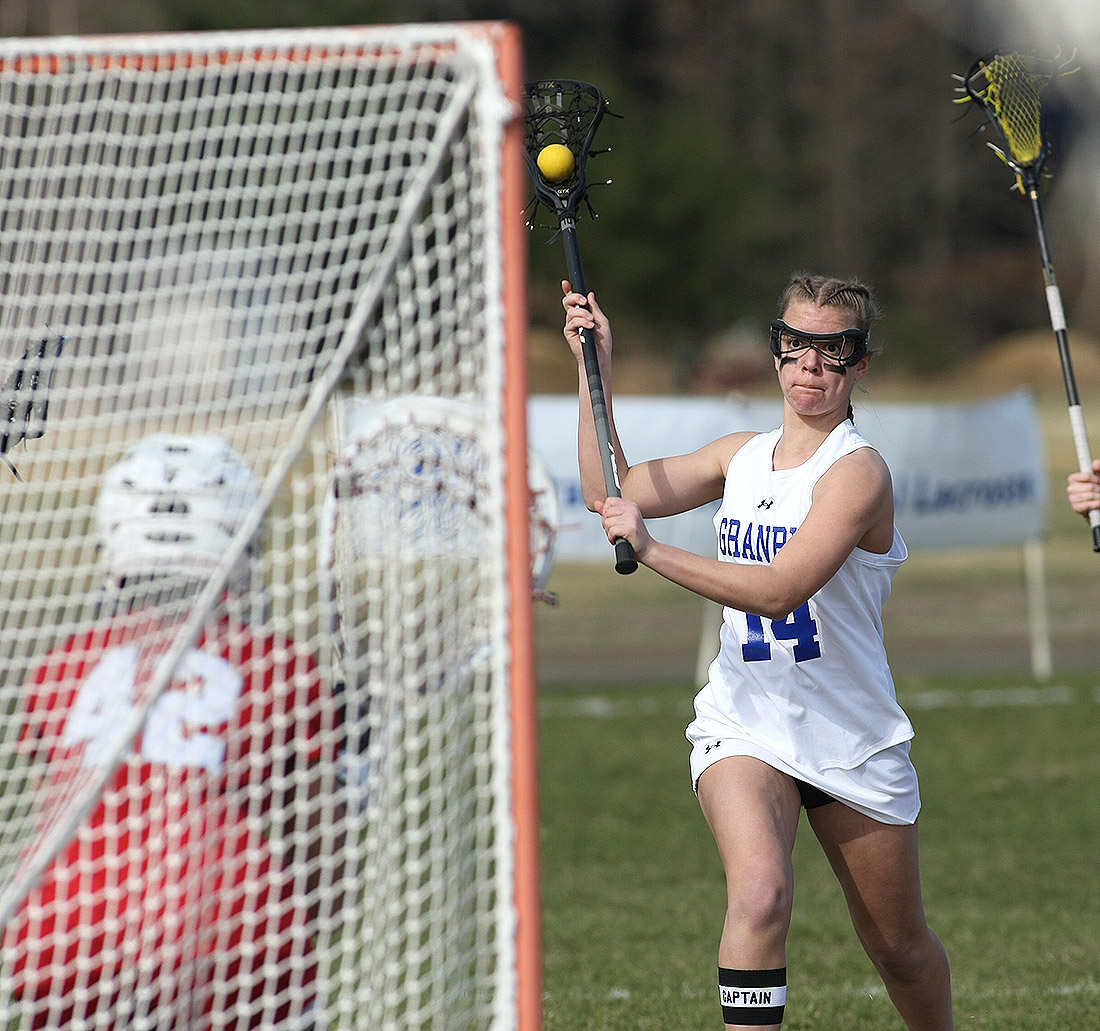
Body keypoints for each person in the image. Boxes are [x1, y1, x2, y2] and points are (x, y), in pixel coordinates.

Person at [562, 273, 954, 1031]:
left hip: (849, 735)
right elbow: (612, 488)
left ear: (860, 364)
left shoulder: (858, 472)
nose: (810, 365)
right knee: (761, 895)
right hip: (745, 721)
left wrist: (652, 550)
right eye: (795, 344)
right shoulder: (739, 455)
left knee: (899, 948)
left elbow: (779, 590)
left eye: (832, 350)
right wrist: (593, 370)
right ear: (776, 350)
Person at [3, 433, 342, 1031]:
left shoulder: (59, 668)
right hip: (229, 934)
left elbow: (58, 808)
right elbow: (319, 857)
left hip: (62, 937)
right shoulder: (279, 664)